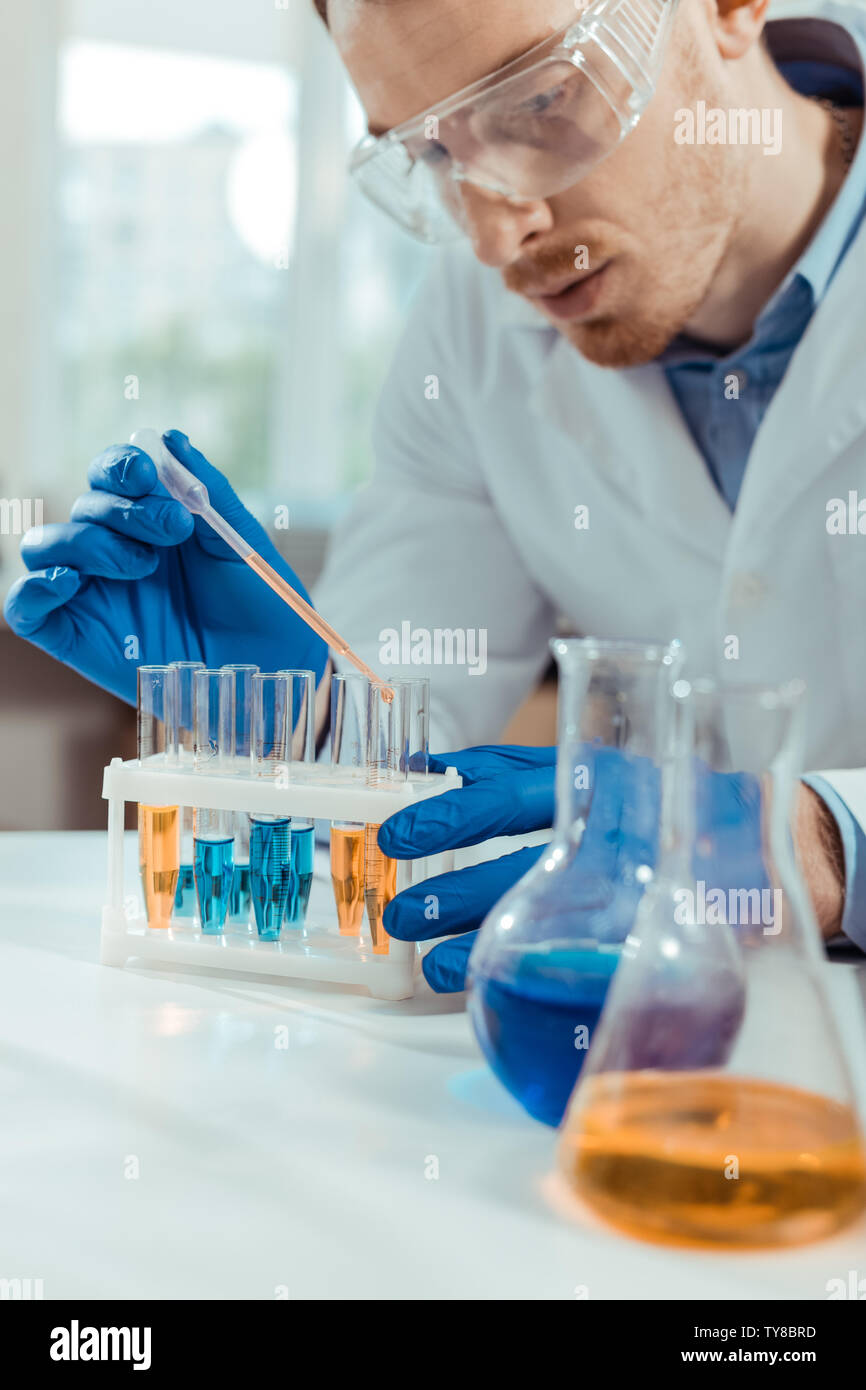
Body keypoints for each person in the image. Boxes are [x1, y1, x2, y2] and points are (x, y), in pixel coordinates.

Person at [6, 0, 866, 991]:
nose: (496, 237)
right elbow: (411, 751)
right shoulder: (471, 324)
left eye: (540, 101)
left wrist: (814, 844)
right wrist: (308, 715)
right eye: (429, 152)